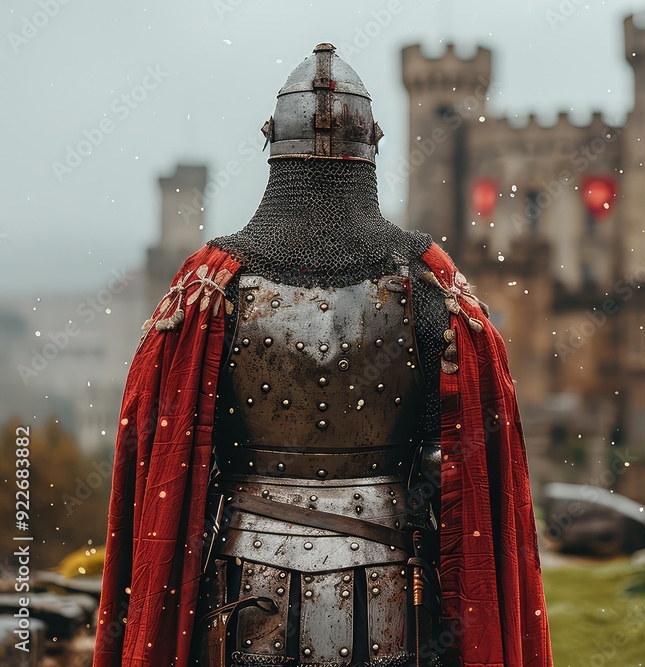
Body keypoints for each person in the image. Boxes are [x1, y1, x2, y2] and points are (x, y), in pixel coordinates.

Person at [92, 43, 552, 667]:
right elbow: (459, 456)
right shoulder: (429, 283)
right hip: (391, 594)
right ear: (373, 149)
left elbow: (174, 455)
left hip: (243, 591)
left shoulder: (212, 286)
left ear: (272, 145)